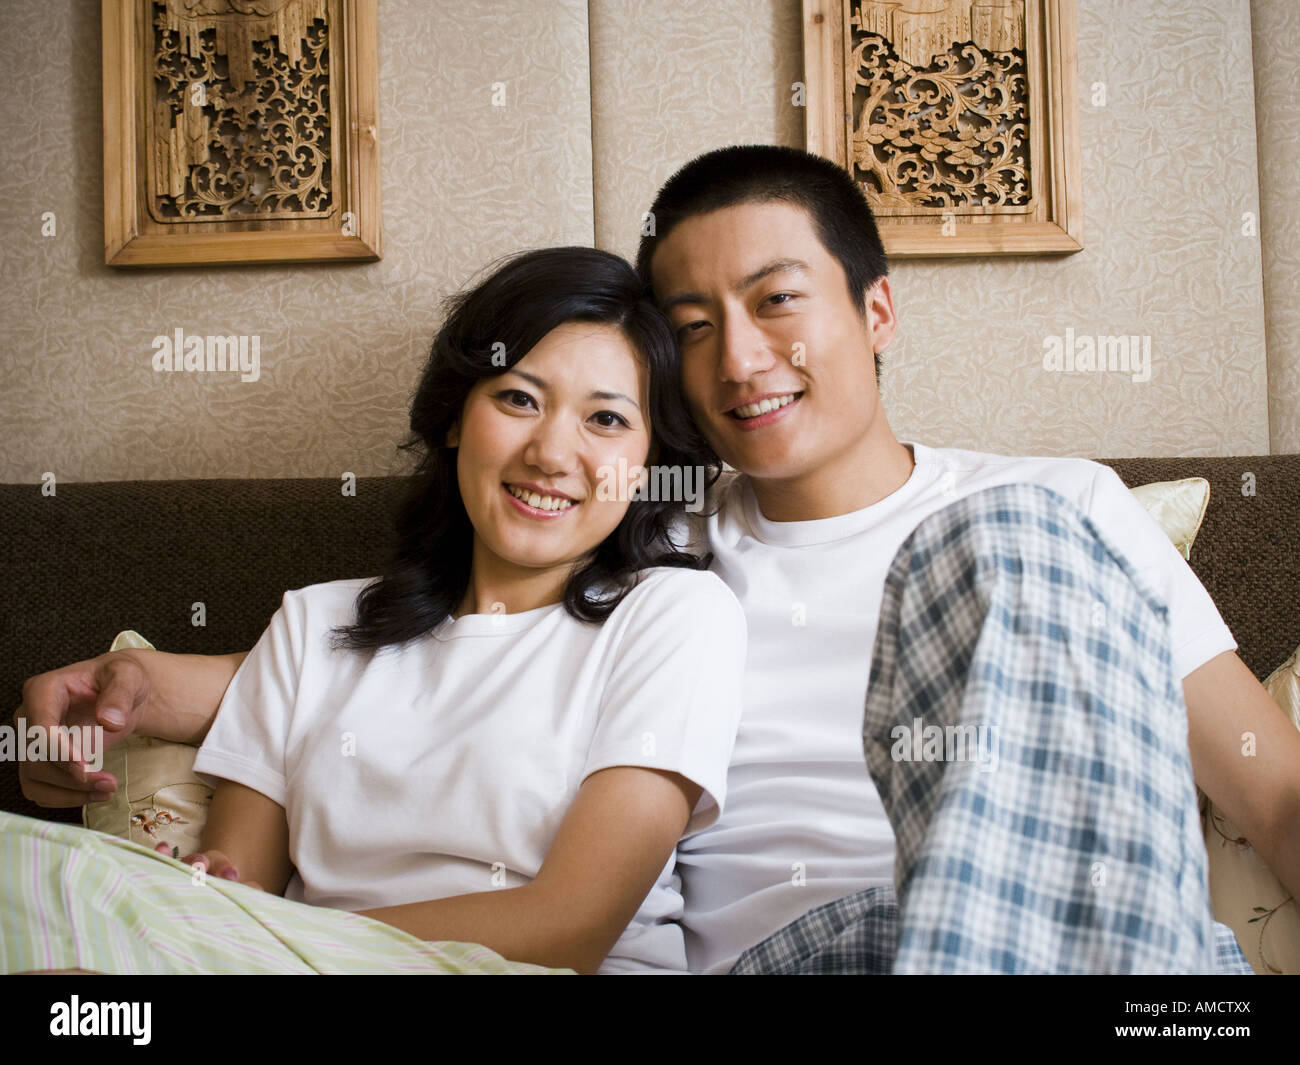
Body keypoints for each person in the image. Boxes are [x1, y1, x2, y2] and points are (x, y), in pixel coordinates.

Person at [18, 147, 1300, 974]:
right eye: (693, 327)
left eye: (777, 299)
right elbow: (411, 662)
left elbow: (1272, 794)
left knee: (1015, 542)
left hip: (1068, 944)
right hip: (799, 960)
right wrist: (134, 690)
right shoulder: (647, 546)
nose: (740, 358)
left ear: (877, 308)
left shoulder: (1055, 507)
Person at [1, 246, 747, 976]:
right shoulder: (310, 625)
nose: (553, 452)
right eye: (519, 398)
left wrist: (253, 938)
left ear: (650, 462)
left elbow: (568, 926)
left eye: (607, 420)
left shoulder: (673, 618)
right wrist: (203, 900)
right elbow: (239, 883)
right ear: (456, 417)